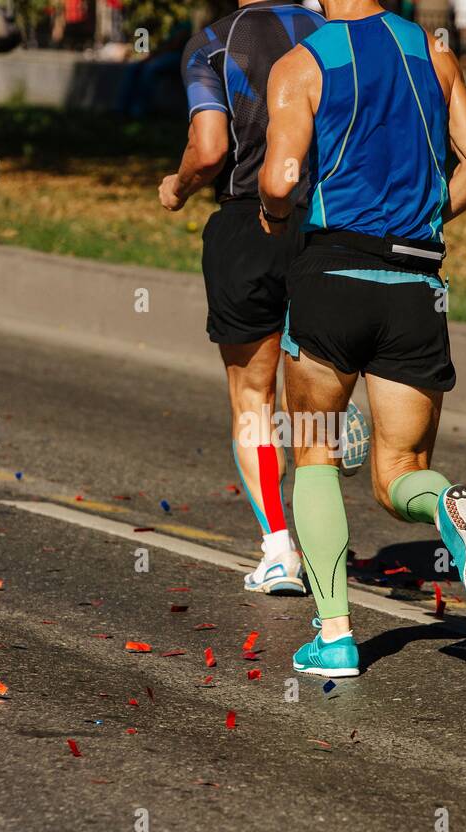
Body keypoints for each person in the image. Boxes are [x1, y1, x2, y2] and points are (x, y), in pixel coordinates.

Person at [258, 0, 466, 677]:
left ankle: (336, 637)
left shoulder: (302, 63)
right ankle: (448, 509)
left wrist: (272, 215)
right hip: (415, 285)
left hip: (332, 275)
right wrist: (422, 220)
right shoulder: (434, 53)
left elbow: (280, 178)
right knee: (398, 472)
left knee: (315, 455)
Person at [160, 0, 369, 595]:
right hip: (328, 225)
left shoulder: (212, 44)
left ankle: (279, 550)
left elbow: (209, 149)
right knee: (317, 388)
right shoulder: (333, 34)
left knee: (253, 397)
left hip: (248, 225)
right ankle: (334, 435)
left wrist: (177, 187)